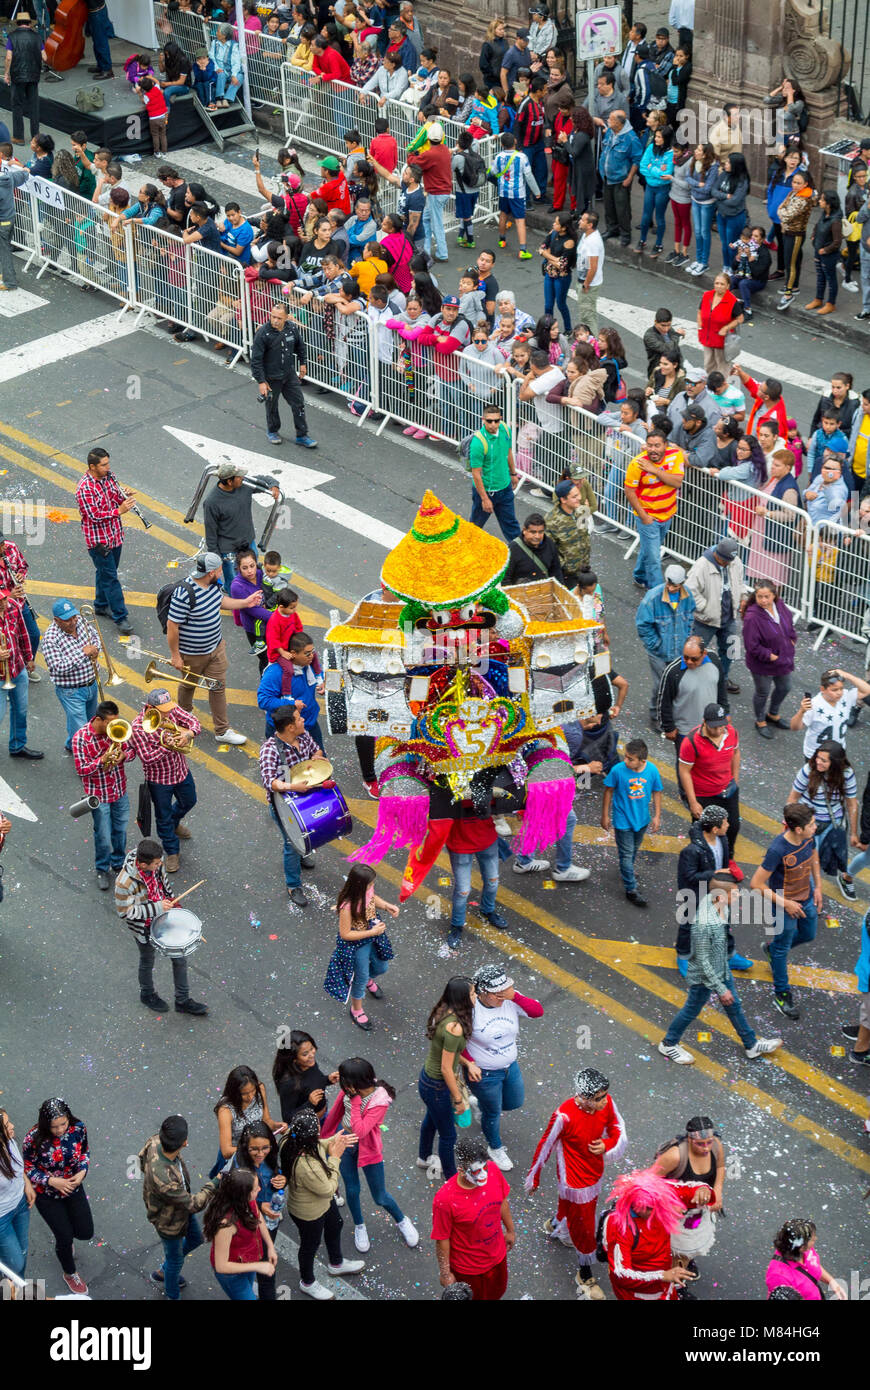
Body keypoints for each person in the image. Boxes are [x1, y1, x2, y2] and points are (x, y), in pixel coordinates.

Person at [526, 1067, 626, 1300]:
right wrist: (534, 1176)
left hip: (594, 1171)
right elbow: (545, 1144)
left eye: (605, 1095)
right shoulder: (564, 1115)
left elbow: (616, 1128)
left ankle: (555, 1224)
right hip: (574, 1181)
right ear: (584, 1097)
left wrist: (607, 1144)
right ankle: (584, 1273)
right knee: (584, 1227)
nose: (605, 1101)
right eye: (599, 1098)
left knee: (574, 1211)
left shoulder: (607, 1102)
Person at [659, 878, 782, 1063]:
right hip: (704, 977)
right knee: (692, 1009)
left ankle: (751, 1045)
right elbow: (702, 960)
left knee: (734, 1006)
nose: (739, 895)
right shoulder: (704, 924)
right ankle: (668, 1044)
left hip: (721, 968)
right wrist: (720, 987)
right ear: (721, 897)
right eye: (734, 893)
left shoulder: (721, 907)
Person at [321, 1057, 418, 1250]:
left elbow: (361, 1131)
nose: (341, 1083)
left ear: (355, 1083)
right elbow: (337, 1112)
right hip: (345, 1142)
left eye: (344, 1080)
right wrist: (326, 1134)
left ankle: (401, 1220)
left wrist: (355, 1102)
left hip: (368, 1147)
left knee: (380, 1196)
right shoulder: (348, 1091)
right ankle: (359, 1225)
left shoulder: (379, 1100)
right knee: (352, 1189)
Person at [167, 550, 259, 747]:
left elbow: (220, 601)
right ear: (211, 572)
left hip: (216, 648)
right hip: (192, 654)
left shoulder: (213, 585)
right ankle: (183, 716)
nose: (221, 573)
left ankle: (222, 730)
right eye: (219, 570)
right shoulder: (184, 593)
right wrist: (176, 656)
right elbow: (172, 626)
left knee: (218, 687)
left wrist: (244, 602)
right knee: (188, 684)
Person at [114, 833, 208, 1015]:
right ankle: (147, 994)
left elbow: (163, 886)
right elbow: (125, 912)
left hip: (165, 917)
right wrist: (156, 907)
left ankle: (182, 1000)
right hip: (144, 927)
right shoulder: (123, 883)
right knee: (147, 960)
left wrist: (173, 903)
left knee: (180, 958)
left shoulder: (156, 864)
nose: (160, 866)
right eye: (156, 864)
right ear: (142, 865)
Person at [279, 1106, 364, 1300]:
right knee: (310, 1245)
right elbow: (328, 1188)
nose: (320, 1128)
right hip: (309, 1212)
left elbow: (318, 1144)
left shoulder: (292, 1140)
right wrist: (335, 1157)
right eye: (317, 1127)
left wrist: (332, 1142)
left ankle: (336, 1263)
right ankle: (307, 1282)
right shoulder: (307, 1167)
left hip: (323, 1204)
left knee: (336, 1224)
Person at [463, 963, 542, 1171]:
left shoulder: (509, 998)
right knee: (493, 1112)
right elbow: (455, 1041)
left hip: (509, 1065)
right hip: (484, 1073)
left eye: (504, 993)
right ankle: (494, 1147)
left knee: (514, 1102)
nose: (501, 998)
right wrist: (470, 1063)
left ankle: (480, 1104)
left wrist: (514, 996)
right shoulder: (468, 1007)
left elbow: (537, 1012)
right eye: (496, 995)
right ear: (481, 993)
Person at [750, 802, 823, 1021]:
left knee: (808, 934)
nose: (816, 827)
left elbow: (813, 859)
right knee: (782, 948)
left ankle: (773, 951)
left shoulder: (808, 838)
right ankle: (782, 994)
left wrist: (818, 887)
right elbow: (756, 883)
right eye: (811, 824)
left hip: (807, 898)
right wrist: (785, 904)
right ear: (798, 829)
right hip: (784, 906)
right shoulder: (777, 850)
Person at [139, 1115, 218, 1300]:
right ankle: (172, 1295)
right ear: (184, 1143)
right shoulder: (164, 1178)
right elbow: (193, 1204)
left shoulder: (155, 1141)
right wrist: (216, 1183)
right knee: (175, 1261)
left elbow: (141, 1158)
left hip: (180, 1209)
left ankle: (164, 1271)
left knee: (196, 1239)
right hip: (169, 1222)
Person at [600, 1167, 709, 1301]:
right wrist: (662, 1275)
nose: (653, 1212)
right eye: (645, 1208)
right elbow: (621, 1274)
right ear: (632, 1203)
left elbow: (688, 1189)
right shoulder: (619, 1226)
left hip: (665, 1283)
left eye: (655, 1206)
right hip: (639, 1294)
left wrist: (703, 1190)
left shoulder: (658, 1193)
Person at [23, 1098, 94, 1296]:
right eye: (54, 1127)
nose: (60, 1130)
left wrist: (82, 1171)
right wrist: (51, 1181)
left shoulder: (78, 1128)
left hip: (73, 1187)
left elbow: (84, 1153)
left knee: (85, 1232)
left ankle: (68, 1242)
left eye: (63, 1124)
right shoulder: (32, 1138)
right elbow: (27, 1168)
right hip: (47, 1195)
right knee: (64, 1236)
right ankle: (69, 1272)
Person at [432, 1133, 514, 1301]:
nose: (484, 1173)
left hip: (497, 1258)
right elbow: (442, 1239)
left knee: (496, 1294)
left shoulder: (493, 1170)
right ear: (461, 1170)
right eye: (477, 1170)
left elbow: (502, 1201)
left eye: (484, 1167)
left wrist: (510, 1230)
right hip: (469, 1270)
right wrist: (446, 1274)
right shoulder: (444, 1199)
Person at [259, 703, 323, 908]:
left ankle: (303, 855)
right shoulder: (270, 749)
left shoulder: (304, 736)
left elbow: (317, 750)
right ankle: (293, 885)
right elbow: (270, 782)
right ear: (290, 727)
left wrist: (317, 759)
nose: (303, 720)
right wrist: (292, 786)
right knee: (292, 844)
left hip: (304, 798)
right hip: (284, 805)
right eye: (299, 718)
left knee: (307, 834)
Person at [324, 864, 399, 1031]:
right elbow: (345, 934)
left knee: (382, 966)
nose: (372, 887)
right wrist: (371, 932)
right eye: (370, 884)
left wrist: (386, 906)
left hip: (372, 934)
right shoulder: (347, 906)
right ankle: (356, 1009)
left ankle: (365, 980)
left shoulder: (367, 891)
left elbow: (373, 898)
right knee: (361, 977)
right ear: (359, 885)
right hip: (357, 944)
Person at [72, 699, 135, 891]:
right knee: (103, 835)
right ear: (98, 719)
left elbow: (132, 750)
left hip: (119, 790)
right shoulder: (81, 738)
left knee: (120, 829)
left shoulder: (117, 731)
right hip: (99, 795)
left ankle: (118, 862)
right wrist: (102, 760)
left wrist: (124, 756)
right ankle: (102, 868)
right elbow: (82, 770)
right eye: (110, 722)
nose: (114, 726)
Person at [652, 1115, 725, 1280]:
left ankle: (684, 1261)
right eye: (700, 1144)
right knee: (675, 1252)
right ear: (690, 1140)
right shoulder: (675, 1156)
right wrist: (669, 1202)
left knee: (689, 1248)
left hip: (698, 1212)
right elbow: (649, 1180)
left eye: (709, 1142)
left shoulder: (716, 1146)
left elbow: (720, 1166)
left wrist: (718, 1190)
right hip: (674, 1214)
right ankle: (675, 1286)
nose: (706, 1148)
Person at [418, 977, 477, 1180]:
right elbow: (446, 1068)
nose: (475, 996)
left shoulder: (443, 1011)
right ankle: (452, 1179)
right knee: (448, 1135)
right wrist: (459, 1099)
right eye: (472, 993)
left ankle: (424, 1156)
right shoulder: (455, 1028)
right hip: (437, 1086)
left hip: (427, 1080)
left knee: (431, 1120)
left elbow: (446, 1053)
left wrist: (467, 1063)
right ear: (462, 998)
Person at [788, 739, 859, 901]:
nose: (818, 762)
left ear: (835, 763)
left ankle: (812, 894)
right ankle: (808, 896)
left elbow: (852, 803)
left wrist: (853, 833)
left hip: (831, 825)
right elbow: (792, 799)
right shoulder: (808, 770)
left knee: (821, 862)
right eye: (817, 757)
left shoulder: (846, 774)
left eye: (824, 760)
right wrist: (788, 826)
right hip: (806, 824)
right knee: (808, 863)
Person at [75, 448, 136, 636]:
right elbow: (93, 515)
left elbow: (115, 497)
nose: (108, 467)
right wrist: (118, 511)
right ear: (92, 466)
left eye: (108, 463)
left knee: (105, 572)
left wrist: (124, 496)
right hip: (99, 542)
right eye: (104, 465)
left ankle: (101, 605)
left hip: (115, 535)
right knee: (110, 578)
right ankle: (120, 616)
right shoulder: (84, 488)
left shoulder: (109, 477)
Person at [601, 738, 662, 907]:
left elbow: (657, 792)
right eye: (626, 757)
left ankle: (626, 871)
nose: (626, 761)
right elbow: (608, 791)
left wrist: (657, 815)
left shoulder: (652, 770)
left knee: (634, 850)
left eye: (630, 759)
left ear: (642, 761)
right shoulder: (617, 770)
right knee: (626, 854)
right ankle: (631, 889)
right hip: (622, 822)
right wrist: (605, 815)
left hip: (641, 820)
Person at [678, 701, 742, 862]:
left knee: (733, 827)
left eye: (722, 726)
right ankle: (703, 861)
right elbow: (684, 771)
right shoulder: (691, 742)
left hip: (728, 790)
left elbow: (735, 753)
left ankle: (728, 859)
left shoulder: (731, 733)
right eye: (714, 727)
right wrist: (693, 802)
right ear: (704, 722)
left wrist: (735, 780)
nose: (719, 730)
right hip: (703, 795)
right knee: (704, 833)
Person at [203, 462, 280, 592]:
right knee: (234, 583)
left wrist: (274, 486)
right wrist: (216, 560)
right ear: (229, 481)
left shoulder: (245, 485)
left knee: (251, 574)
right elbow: (211, 534)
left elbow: (266, 480)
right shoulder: (212, 502)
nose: (243, 478)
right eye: (239, 477)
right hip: (228, 550)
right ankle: (237, 605)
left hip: (248, 542)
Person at [250, 301, 318, 448]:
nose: (275, 320)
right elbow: (256, 360)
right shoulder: (263, 333)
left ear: (286, 317)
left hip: (289, 374)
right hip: (271, 378)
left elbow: (300, 346)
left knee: (298, 403)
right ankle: (273, 431)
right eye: (273, 316)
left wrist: (303, 363)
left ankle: (302, 435)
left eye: (279, 318)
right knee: (272, 406)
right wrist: (261, 381)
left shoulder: (292, 328)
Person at [624, 428, 685, 590]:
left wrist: (654, 470)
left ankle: (639, 576)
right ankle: (658, 595)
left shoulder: (675, 455)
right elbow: (629, 491)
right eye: (650, 445)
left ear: (665, 445)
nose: (653, 449)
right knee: (654, 560)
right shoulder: (637, 463)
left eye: (657, 445)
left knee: (649, 549)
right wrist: (644, 516)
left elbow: (677, 482)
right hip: (648, 517)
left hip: (668, 514)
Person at [203, 1167, 277, 1301]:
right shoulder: (225, 1224)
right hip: (232, 1276)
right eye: (255, 1189)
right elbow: (221, 1266)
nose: (259, 1189)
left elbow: (258, 1218)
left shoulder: (248, 1201)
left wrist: (270, 1246)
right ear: (243, 1194)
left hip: (249, 1262)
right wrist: (259, 1266)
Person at [230, 1123, 286, 1300]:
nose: (261, 1154)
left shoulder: (271, 1157)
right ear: (245, 1146)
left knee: (262, 1261)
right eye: (254, 1149)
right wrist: (260, 1206)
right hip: (250, 1223)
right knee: (266, 1273)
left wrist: (281, 1180)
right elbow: (236, 1200)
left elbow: (278, 1173)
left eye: (265, 1148)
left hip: (269, 1221)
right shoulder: (238, 1168)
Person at [685, 537, 747, 694]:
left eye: (729, 561)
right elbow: (690, 590)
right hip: (705, 621)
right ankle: (691, 682)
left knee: (731, 651)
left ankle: (722, 679)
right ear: (716, 554)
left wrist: (743, 597)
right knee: (695, 652)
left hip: (729, 617)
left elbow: (740, 581)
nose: (726, 563)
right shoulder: (701, 565)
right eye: (724, 560)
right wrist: (705, 608)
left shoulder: (735, 561)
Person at [636, 564, 696, 726]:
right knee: (661, 685)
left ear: (682, 584)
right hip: (659, 653)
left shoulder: (687, 596)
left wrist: (687, 637)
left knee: (677, 684)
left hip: (679, 651)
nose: (670, 588)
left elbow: (690, 615)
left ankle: (671, 712)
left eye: (674, 586)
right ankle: (656, 715)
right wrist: (655, 644)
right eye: (668, 584)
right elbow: (643, 625)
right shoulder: (653, 598)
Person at [741, 580, 797, 740]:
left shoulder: (780, 605)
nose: (763, 600)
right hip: (762, 664)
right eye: (760, 597)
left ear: (774, 595)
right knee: (762, 692)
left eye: (767, 596)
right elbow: (751, 646)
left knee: (785, 687)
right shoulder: (752, 617)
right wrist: (770, 656)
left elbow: (789, 623)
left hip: (782, 659)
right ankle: (760, 721)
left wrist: (792, 639)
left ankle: (773, 714)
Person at [467, 404, 521, 541]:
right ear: (483, 420)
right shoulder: (478, 443)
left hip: (505, 488)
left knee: (512, 527)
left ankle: (521, 556)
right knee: (475, 527)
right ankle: (464, 551)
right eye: (489, 421)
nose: (493, 424)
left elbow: (508, 452)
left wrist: (513, 474)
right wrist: (485, 499)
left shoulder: (505, 430)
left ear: (500, 419)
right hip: (486, 492)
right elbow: (476, 474)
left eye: (496, 420)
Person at [790, 667, 870, 758]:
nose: (839, 693)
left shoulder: (846, 696)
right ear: (823, 689)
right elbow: (794, 727)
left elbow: (867, 690)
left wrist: (847, 675)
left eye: (841, 688)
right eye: (834, 690)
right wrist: (801, 711)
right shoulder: (814, 704)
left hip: (838, 752)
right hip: (816, 756)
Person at [0, 586, 40, 761]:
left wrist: (29, 658)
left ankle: (17, 746)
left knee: (21, 710)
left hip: (17, 668)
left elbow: (23, 634)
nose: (3, 603)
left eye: (4, 598)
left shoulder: (14, 606)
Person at [765, 1219, 847, 1300]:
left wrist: (831, 1281)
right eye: (812, 1239)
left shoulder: (805, 1250)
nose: (815, 1238)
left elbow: (813, 1266)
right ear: (801, 1247)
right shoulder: (778, 1277)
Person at [407, 121, 453, 263]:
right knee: (425, 219)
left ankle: (442, 253)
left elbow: (414, 162)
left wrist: (411, 153)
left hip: (436, 192)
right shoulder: (444, 149)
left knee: (436, 223)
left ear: (428, 138)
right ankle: (425, 251)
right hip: (443, 191)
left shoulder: (431, 154)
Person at [273, 1030, 338, 1127]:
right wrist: (309, 1104)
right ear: (294, 1059)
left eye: (312, 1048)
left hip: (322, 1114)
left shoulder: (309, 1063)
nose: (311, 1055)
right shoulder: (288, 1083)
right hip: (307, 1126)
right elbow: (288, 1117)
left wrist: (327, 1080)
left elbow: (313, 1082)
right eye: (305, 1054)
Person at [491, 130, 540, 259]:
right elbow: (528, 176)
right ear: (515, 142)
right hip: (518, 193)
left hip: (503, 191)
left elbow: (494, 172)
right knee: (520, 220)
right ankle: (522, 249)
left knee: (503, 214)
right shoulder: (522, 157)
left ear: (502, 145)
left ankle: (502, 240)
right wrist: (537, 192)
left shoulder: (499, 156)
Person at [598, 110, 642, 247]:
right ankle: (612, 229)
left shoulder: (631, 138)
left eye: (611, 119)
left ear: (619, 122)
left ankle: (625, 234)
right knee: (609, 206)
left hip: (620, 179)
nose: (608, 121)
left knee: (622, 208)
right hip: (607, 176)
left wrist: (629, 178)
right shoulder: (611, 132)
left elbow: (636, 160)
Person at [0, 1107, 34, 1279]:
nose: (12, 1126)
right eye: (6, 1125)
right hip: (1, 1218)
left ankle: (15, 1292)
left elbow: (17, 1168)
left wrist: (26, 1182)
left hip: (20, 1204)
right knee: (15, 1264)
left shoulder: (8, 1141)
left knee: (21, 1254)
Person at [544, 478, 596, 589]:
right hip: (567, 576)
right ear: (563, 499)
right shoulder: (551, 521)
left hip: (584, 568)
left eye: (578, 494)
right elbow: (550, 550)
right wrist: (565, 567)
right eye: (574, 497)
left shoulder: (581, 511)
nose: (580, 498)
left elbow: (584, 536)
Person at [776, 169, 815, 311]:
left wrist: (780, 211)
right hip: (788, 232)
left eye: (798, 183)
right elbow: (784, 207)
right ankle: (794, 286)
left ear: (805, 184)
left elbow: (785, 214)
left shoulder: (803, 199)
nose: (795, 185)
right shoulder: (794, 193)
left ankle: (788, 294)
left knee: (790, 263)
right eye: (794, 182)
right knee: (794, 261)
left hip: (796, 234)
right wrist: (782, 210)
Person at [4, 13, 43, 146]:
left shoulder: (12, 37)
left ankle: (19, 137)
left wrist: (6, 73)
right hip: (33, 76)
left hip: (17, 76)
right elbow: (45, 57)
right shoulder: (37, 37)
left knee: (17, 106)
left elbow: (9, 57)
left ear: (18, 23)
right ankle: (35, 137)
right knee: (34, 107)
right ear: (29, 23)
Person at [697, 272, 743, 375]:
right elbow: (700, 311)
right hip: (707, 337)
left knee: (722, 368)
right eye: (717, 283)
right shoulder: (707, 296)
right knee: (708, 364)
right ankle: (710, 385)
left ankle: (721, 387)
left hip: (722, 341)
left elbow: (740, 319)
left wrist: (726, 328)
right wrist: (699, 325)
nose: (719, 286)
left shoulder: (732, 301)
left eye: (722, 284)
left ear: (728, 286)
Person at [805, 190, 842, 316]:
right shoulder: (824, 213)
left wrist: (825, 250)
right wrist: (813, 235)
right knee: (820, 277)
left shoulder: (836, 220)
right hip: (818, 250)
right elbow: (817, 225)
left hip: (828, 255)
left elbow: (837, 242)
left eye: (822, 200)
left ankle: (831, 304)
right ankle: (818, 299)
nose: (819, 201)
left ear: (829, 204)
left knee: (831, 279)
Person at [503, 511, 564, 584]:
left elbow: (556, 572)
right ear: (524, 530)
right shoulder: (513, 549)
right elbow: (505, 578)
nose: (537, 536)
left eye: (540, 532)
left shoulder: (549, 544)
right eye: (533, 532)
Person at [574, 209, 604, 335]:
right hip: (583, 280)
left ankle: (593, 344)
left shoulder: (593, 242)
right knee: (585, 314)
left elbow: (593, 267)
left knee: (588, 317)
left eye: (582, 220)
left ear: (590, 225)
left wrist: (586, 284)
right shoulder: (587, 235)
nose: (579, 221)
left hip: (588, 284)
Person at [84, 0, 114, 80]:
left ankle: (107, 70)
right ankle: (101, 66)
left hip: (97, 11)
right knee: (97, 42)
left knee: (101, 42)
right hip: (94, 10)